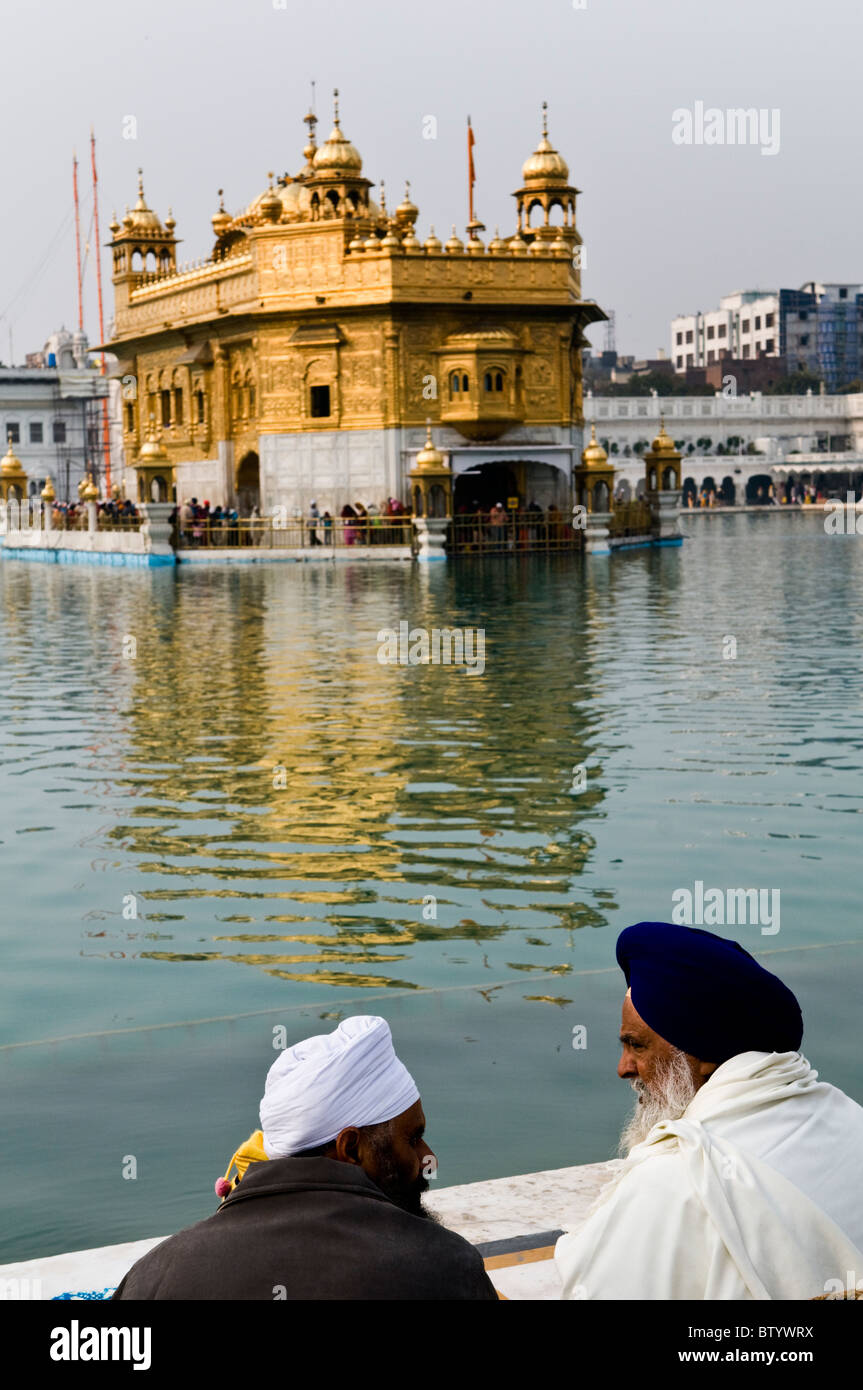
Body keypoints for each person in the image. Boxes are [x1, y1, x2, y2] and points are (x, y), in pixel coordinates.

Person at [556, 922, 863, 1301]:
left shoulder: (672, 1180)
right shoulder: (850, 1120)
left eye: (636, 1046)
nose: (624, 1067)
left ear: (700, 1051)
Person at [112, 1015, 497, 1301]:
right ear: (349, 1148)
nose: (427, 1158)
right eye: (413, 1139)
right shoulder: (444, 1269)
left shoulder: (151, 1278)